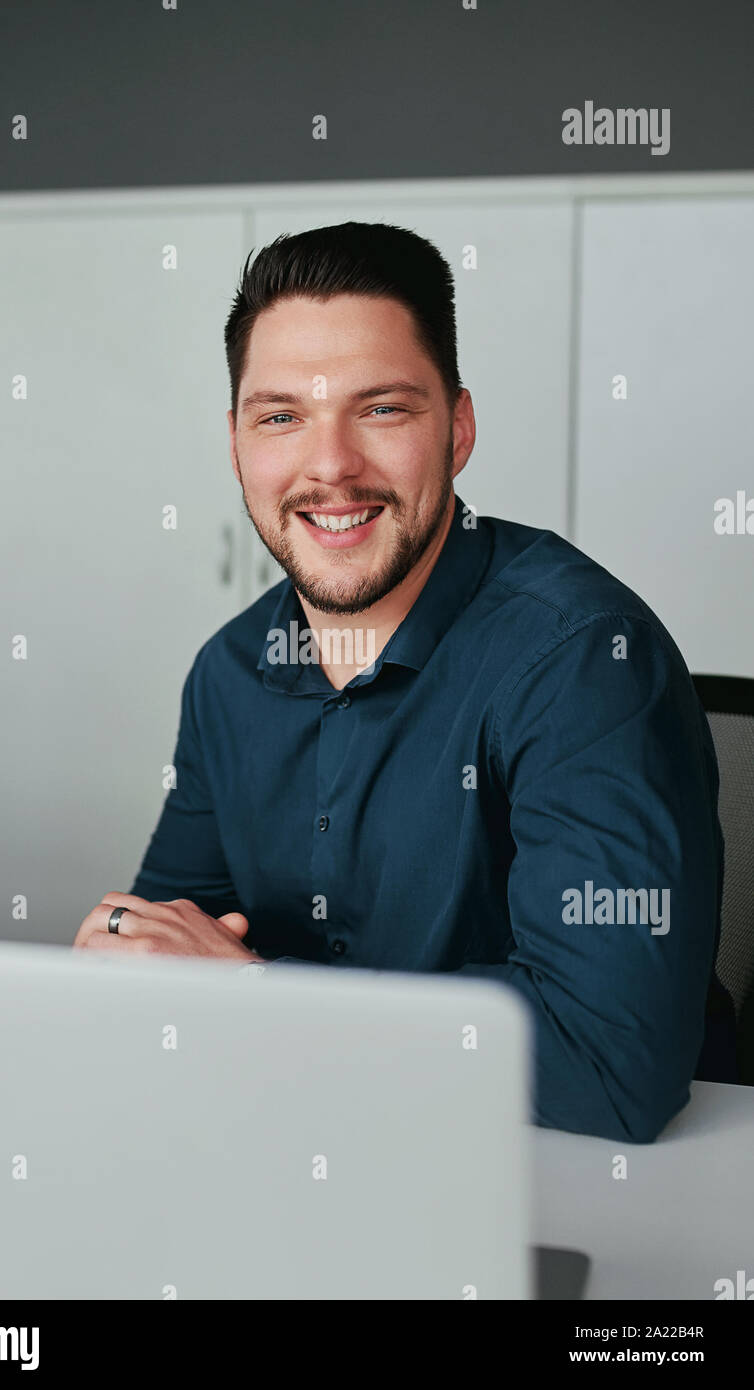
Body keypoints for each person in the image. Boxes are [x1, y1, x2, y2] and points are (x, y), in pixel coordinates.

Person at [74, 221, 737, 1141]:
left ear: (458, 429)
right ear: (235, 445)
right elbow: (172, 953)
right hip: (308, 1140)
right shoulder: (229, 673)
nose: (330, 464)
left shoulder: (585, 660)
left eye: (381, 408)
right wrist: (127, 958)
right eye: (281, 416)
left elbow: (607, 1065)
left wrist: (262, 994)